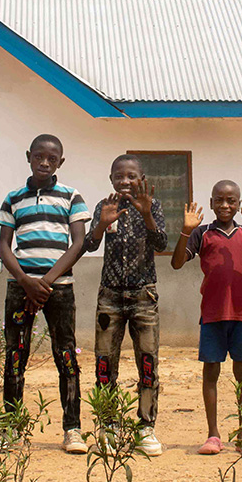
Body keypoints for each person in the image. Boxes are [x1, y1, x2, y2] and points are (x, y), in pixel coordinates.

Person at [0, 134, 90, 453]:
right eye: (39, 157)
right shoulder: (13, 199)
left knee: (65, 354)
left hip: (58, 289)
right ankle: (11, 428)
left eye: (52, 159)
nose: (44, 163)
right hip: (21, 288)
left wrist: (45, 282)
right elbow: (4, 247)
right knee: (14, 355)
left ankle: (73, 428)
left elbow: (78, 244)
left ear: (60, 163)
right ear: (28, 156)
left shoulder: (71, 196)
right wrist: (25, 281)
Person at [172, 180, 242, 455]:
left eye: (231, 201)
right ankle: (213, 435)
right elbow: (176, 262)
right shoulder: (202, 233)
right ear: (211, 203)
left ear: (239, 203)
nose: (225, 206)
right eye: (219, 200)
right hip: (212, 314)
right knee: (211, 373)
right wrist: (185, 230)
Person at [84, 154, 168, 456]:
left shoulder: (153, 206)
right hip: (110, 295)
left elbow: (161, 244)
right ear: (111, 180)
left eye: (131, 176)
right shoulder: (104, 207)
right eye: (119, 176)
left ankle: (146, 427)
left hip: (144, 295)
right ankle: (108, 426)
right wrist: (101, 224)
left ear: (141, 178)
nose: (126, 181)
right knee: (105, 363)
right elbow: (90, 245)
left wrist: (146, 214)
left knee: (148, 362)